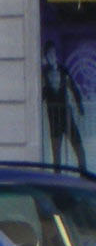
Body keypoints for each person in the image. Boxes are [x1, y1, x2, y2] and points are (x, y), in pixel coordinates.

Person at [43, 42, 88, 173]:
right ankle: (58, 179)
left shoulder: (63, 70)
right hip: (53, 115)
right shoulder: (44, 73)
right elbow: (41, 93)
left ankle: (84, 174)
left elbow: (73, 87)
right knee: (56, 152)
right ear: (46, 56)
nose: (51, 56)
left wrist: (80, 106)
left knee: (78, 145)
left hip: (66, 115)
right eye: (48, 54)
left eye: (52, 53)